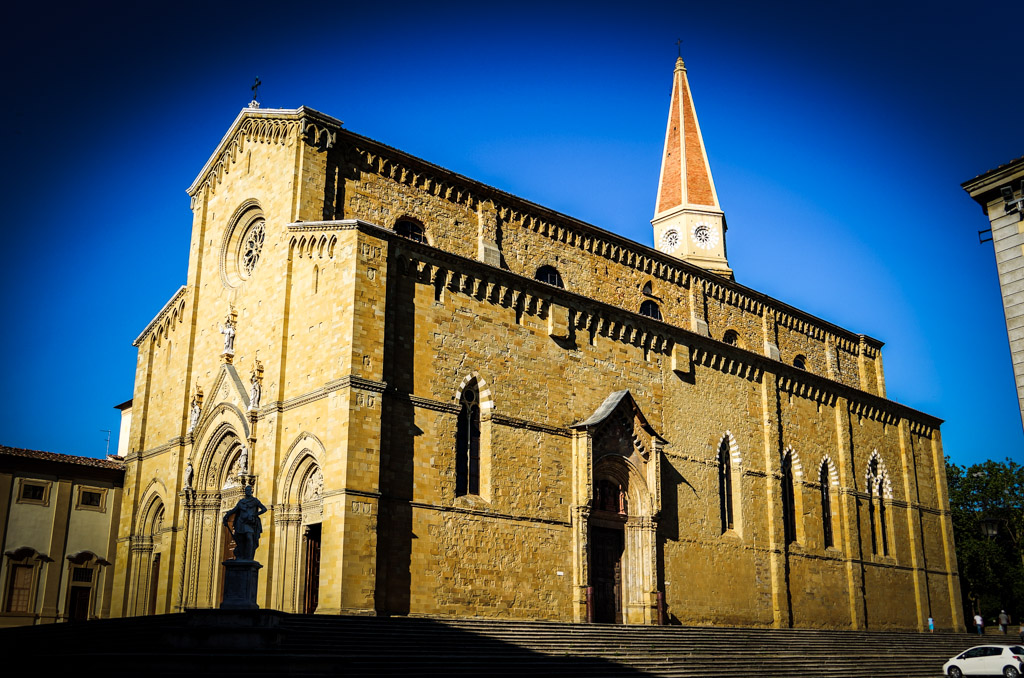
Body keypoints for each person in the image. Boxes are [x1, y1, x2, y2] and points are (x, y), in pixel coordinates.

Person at [222, 485, 267, 561]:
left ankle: (249, 557)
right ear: (245, 492)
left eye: (249, 490)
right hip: (241, 523)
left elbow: (264, 509)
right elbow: (234, 510)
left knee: (249, 537)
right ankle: (241, 555)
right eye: (246, 491)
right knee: (241, 539)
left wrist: (255, 515)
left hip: (249, 523)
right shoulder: (241, 502)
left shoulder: (255, 501)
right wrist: (226, 516)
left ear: (251, 491)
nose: (248, 492)